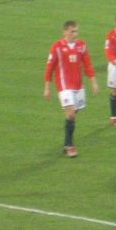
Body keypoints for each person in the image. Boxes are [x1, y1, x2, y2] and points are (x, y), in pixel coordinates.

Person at [43, 20, 99, 157]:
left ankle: (66, 142)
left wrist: (94, 82)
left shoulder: (81, 46)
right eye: (72, 31)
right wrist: (47, 87)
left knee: (73, 115)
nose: (75, 34)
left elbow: (88, 64)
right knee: (71, 114)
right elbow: (49, 67)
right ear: (65, 32)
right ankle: (70, 145)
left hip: (78, 85)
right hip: (64, 86)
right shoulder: (57, 47)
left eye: (76, 31)